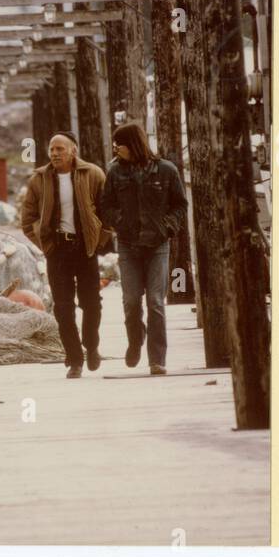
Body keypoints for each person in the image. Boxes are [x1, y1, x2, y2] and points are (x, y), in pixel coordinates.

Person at [19, 131, 112, 378]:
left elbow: (108, 211)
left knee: (91, 303)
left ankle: (91, 346)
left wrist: (99, 238)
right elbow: (27, 219)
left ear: (74, 150)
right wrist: (45, 244)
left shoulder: (92, 174)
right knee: (62, 307)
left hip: (85, 248)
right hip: (57, 250)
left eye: (60, 149)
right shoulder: (39, 179)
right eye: (51, 149)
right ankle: (74, 358)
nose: (54, 153)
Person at [98, 121, 188, 376]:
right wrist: (119, 221)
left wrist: (167, 226)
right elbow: (106, 205)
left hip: (157, 245)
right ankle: (135, 340)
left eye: (120, 144)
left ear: (134, 144)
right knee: (130, 300)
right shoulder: (114, 172)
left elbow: (180, 204)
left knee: (155, 302)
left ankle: (157, 359)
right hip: (128, 245)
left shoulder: (166, 170)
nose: (116, 149)